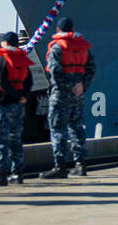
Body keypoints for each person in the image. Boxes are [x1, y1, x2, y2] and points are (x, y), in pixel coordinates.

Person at [41, 18, 95, 179]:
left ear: (58, 30)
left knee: (58, 129)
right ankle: (80, 164)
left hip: (60, 95)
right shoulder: (84, 48)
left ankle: (60, 166)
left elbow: (55, 72)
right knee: (77, 128)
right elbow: (92, 69)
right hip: (78, 96)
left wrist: (66, 89)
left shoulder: (57, 48)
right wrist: (82, 86)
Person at [0, 32, 33, 186]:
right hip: (18, 106)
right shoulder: (22, 59)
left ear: (4, 43)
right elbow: (29, 81)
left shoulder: (1, 60)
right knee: (15, 138)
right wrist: (22, 96)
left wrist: (16, 96)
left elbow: (2, 82)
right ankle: (17, 173)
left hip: (2, 104)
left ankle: (0, 174)